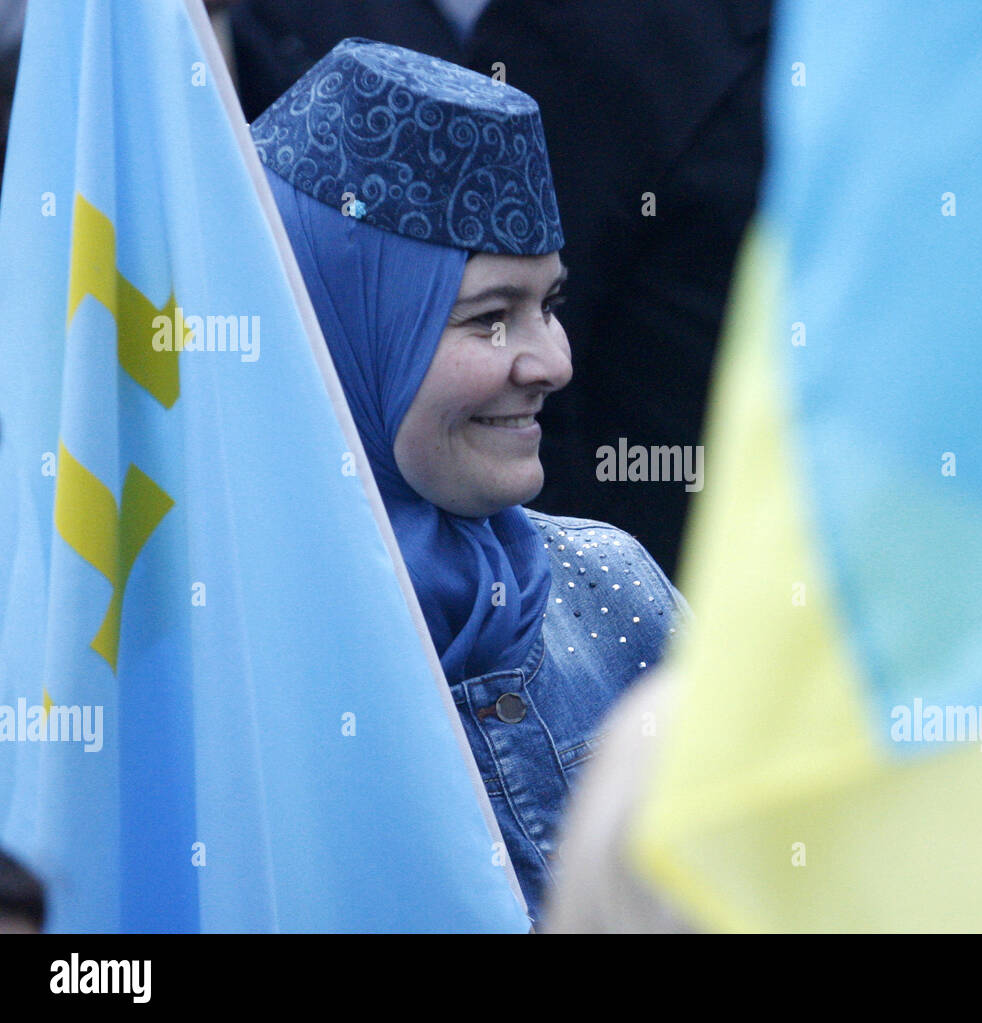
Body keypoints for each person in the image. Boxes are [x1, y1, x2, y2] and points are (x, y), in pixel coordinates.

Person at [250, 38, 687, 924]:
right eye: (491, 317)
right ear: (340, 324)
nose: (553, 360)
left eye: (551, 304)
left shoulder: (613, 588)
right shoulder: (224, 665)